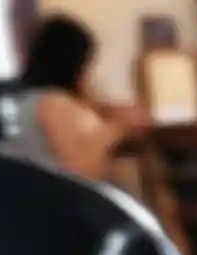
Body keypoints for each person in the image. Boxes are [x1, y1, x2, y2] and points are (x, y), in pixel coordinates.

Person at [12, 15, 146, 181]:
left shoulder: (36, 99)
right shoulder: (52, 103)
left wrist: (102, 109)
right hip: (72, 199)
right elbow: (77, 169)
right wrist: (117, 128)